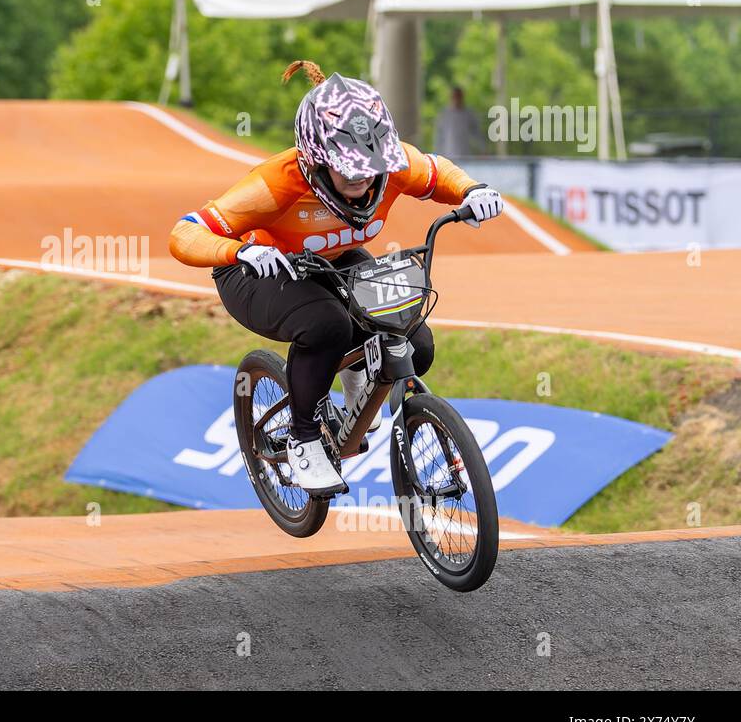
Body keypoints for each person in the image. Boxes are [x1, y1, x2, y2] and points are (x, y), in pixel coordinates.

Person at [169, 60, 504, 497]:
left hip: (332, 259)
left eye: (370, 167)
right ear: (315, 161)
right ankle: (303, 440)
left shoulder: (391, 164)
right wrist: (241, 250)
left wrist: (472, 191)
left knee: (413, 342)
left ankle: (354, 382)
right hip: (254, 269)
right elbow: (185, 232)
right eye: (348, 169)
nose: (363, 181)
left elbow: (437, 172)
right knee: (327, 326)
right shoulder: (276, 183)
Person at [433, 86, 483, 159]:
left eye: (459, 96)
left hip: (465, 154)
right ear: (451, 97)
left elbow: (476, 133)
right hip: (448, 154)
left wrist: (482, 149)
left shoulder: (469, 114)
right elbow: (438, 137)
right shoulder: (444, 114)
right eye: (455, 96)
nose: (457, 99)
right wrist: (437, 156)